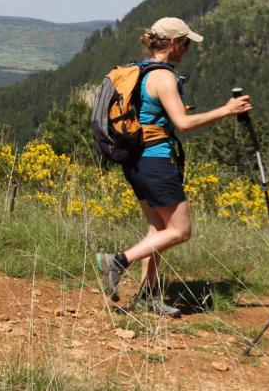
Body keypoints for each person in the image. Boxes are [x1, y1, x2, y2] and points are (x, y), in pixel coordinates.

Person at [96, 17, 251, 316]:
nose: (188, 50)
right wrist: (227, 110)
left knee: (158, 229)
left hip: (136, 161)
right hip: (155, 161)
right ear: (173, 43)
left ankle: (148, 296)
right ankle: (117, 262)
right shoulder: (165, 78)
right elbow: (183, 123)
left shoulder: (140, 72)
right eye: (186, 44)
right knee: (180, 230)